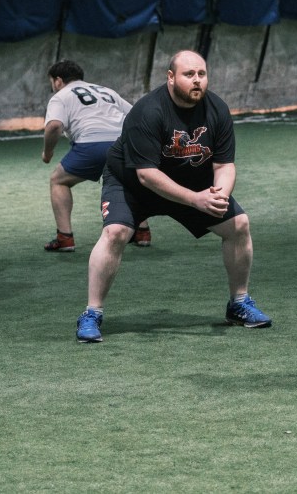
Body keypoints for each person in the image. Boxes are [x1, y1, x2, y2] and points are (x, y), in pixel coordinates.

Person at [75, 50, 272, 343]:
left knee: (238, 224)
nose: (197, 81)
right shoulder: (147, 111)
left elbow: (224, 165)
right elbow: (146, 175)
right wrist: (196, 200)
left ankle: (239, 303)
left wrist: (219, 194)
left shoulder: (217, 109)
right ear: (170, 77)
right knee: (115, 232)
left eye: (201, 74)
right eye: (188, 74)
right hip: (132, 183)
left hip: (189, 183)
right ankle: (92, 313)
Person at [41, 60, 151, 252]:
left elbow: (54, 126)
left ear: (58, 80)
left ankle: (65, 238)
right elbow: (136, 114)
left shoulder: (60, 96)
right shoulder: (106, 91)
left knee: (58, 180)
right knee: (129, 180)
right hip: (122, 143)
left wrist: (47, 152)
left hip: (92, 145)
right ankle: (142, 232)